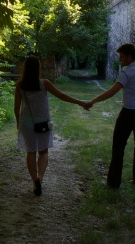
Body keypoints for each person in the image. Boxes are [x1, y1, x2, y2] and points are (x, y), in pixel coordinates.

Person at [14, 55, 89, 196]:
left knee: (31, 152)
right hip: (43, 122)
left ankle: (34, 181)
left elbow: (16, 107)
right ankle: (40, 179)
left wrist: (18, 123)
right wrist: (80, 102)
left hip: (26, 123)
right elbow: (62, 96)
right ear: (38, 68)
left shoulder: (20, 86)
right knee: (43, 152)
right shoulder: (44, 83)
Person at [87, 43, 135, 189]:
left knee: (118, 146)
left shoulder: (126, 72)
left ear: (129, 57)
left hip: (128, 113)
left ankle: (113, 182)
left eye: (122, 57)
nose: (120, 60)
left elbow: (112, 91)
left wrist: (93, 101)